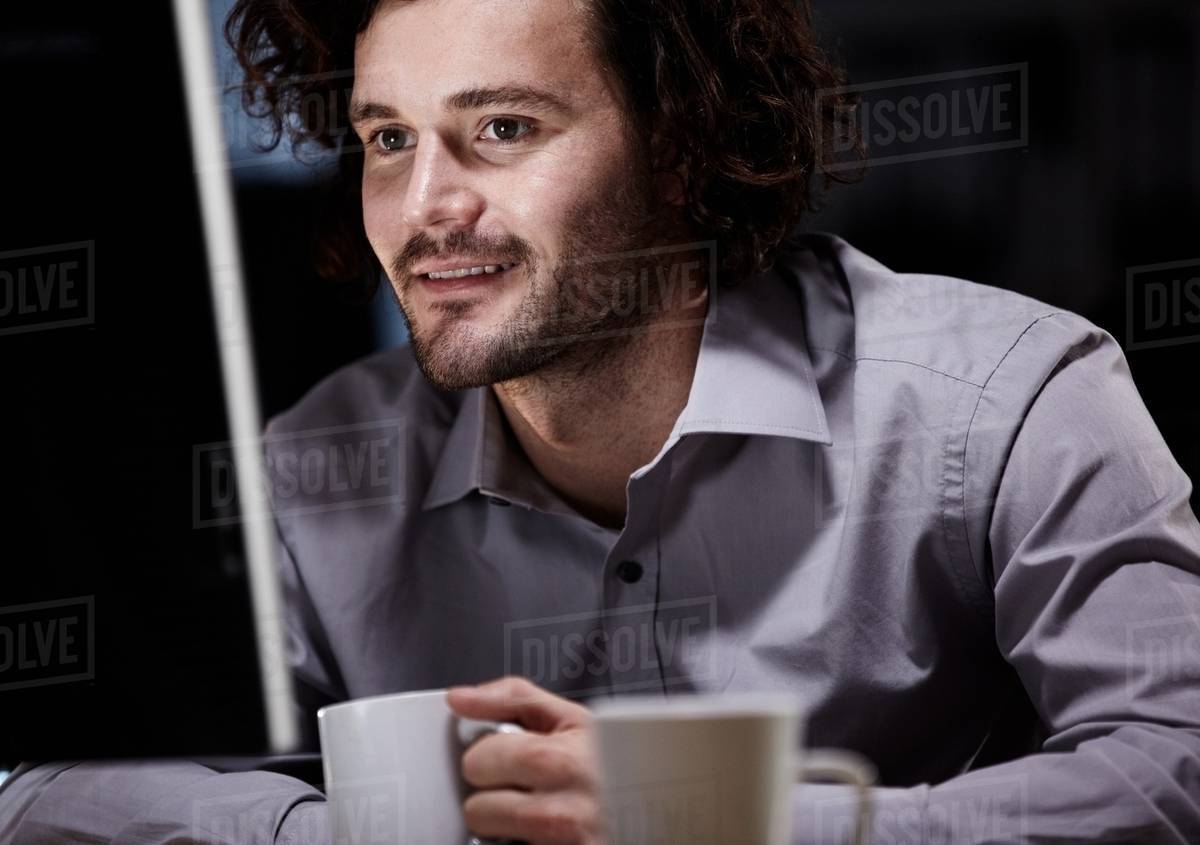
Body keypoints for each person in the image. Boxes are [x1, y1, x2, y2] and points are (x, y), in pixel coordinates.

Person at [3, 0, 1199, 842]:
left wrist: (736, 821)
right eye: (387, 140)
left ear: (681, 144)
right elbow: (44, 782)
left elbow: (1173, 771)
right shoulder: (319, 472)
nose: (424, 208)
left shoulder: (1007, 396)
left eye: (506, 129)